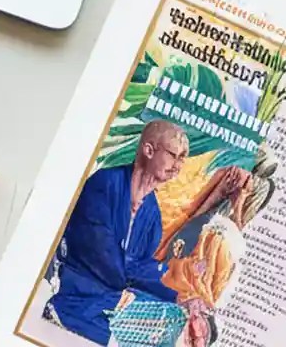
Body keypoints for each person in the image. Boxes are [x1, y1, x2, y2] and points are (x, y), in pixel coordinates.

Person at [44, 120, 188, 345]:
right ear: (148, 150)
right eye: (173, 155)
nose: (178, 166)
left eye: (182, 158)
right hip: (72, 283)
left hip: (110, 301)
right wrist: (168, 282)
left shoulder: (153, 219)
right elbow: (100, 256)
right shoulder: (103, 184)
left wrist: (179, 292)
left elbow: (136, 270)